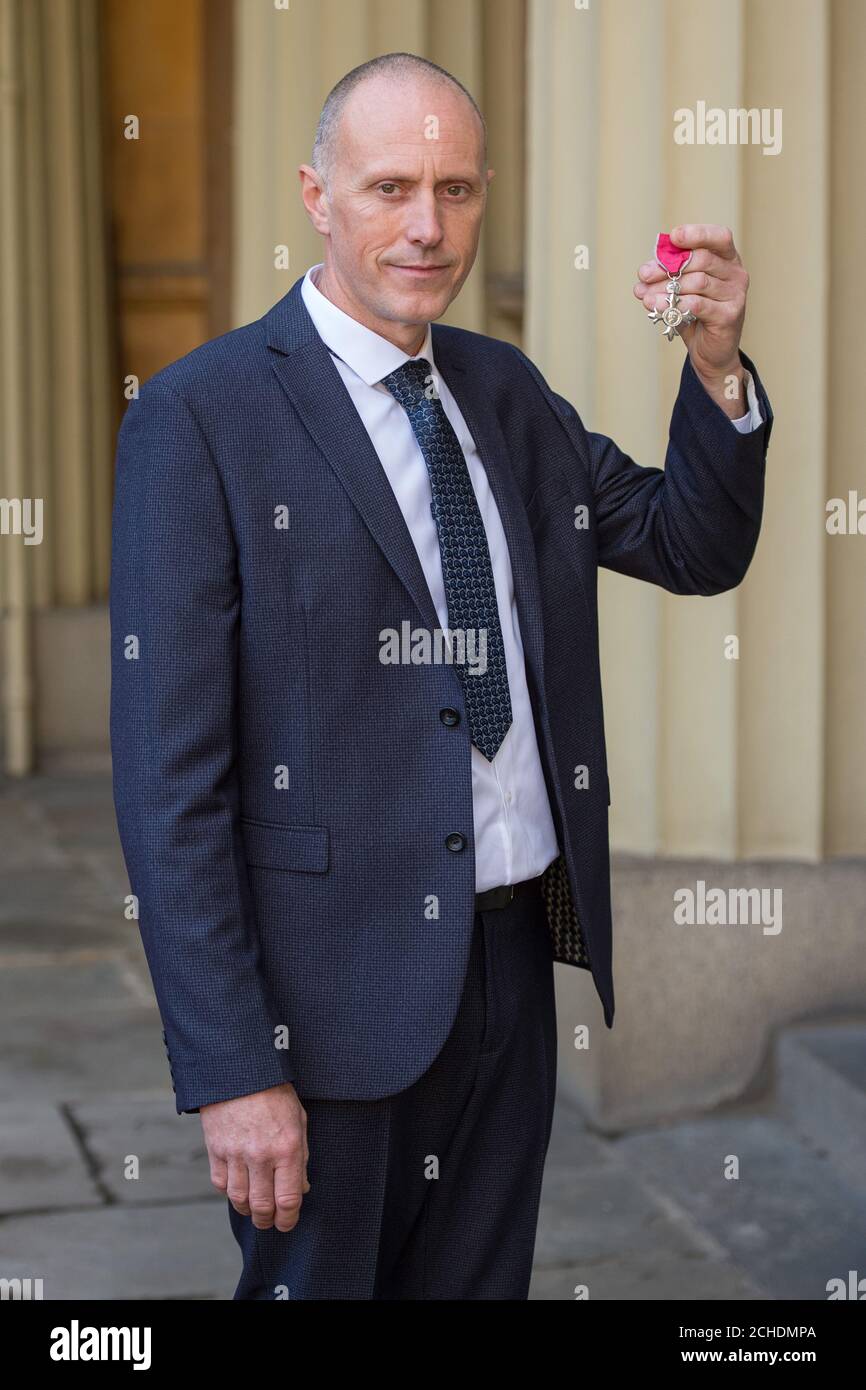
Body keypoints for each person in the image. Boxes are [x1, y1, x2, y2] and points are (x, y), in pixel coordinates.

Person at [109, 51, 773, 1300]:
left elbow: (691, 545)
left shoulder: (500, 390)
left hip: (507, 972)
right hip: (327, 1008)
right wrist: (231, 1066)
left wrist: (717, 367)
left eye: (457, 190)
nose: (427, 226)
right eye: (391, 188)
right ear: (316, 194)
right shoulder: (200, 421)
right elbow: (167, 781)